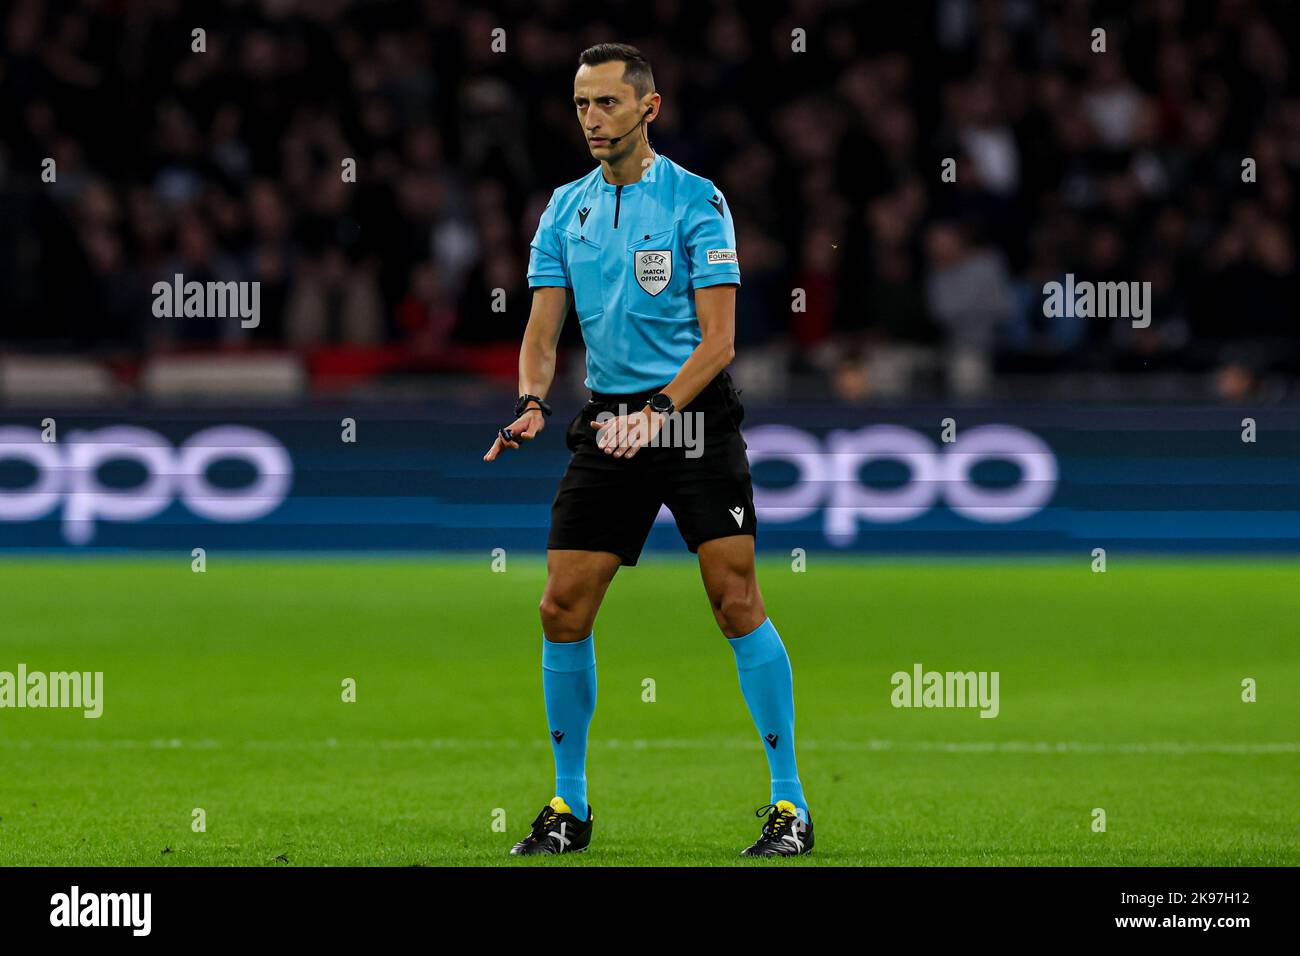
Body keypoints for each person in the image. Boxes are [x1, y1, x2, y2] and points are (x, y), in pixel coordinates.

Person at [483, 43, 812, 858]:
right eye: (582, 104)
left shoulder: (698, 202)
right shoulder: (564, 209)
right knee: (561, 607)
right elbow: (542, 332)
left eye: (607, 103)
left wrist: (662, 412)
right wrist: (530, 401)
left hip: (691, 417)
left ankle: (789, 806)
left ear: (648, 108)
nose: (592, 119)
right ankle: (570, 806)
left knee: (734, 599)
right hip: (609, 422)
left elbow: (720, 342)